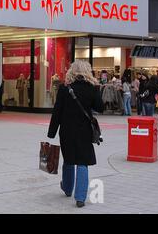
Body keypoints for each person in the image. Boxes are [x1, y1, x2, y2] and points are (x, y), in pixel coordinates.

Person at [48, 60, 104, 208]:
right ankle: (80, 198)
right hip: (84, 131)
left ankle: (67, 188)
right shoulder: (92, 88)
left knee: (69, 159)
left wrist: (51, 132)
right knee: (82, 162)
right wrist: (96, 90)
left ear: (71, 71)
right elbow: (100, 108)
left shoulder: (65, 89)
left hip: (67, 131)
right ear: (87, 71)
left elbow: (57, 112)